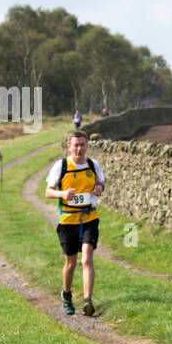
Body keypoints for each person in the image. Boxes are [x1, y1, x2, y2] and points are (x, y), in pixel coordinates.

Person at [44, 129, 105, 316]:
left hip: (89, 218)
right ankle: (67, 295)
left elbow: (102, 183)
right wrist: (62, 193)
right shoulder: (61, 166)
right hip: (68, 220)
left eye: (82, 145)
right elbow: (48, 191)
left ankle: (88, 301)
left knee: (87, 257)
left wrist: (99, 188)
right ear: (69, 147)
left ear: (87, 146)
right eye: (75, 145)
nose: (79, 149)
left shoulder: (93, 165)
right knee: (70, 262)